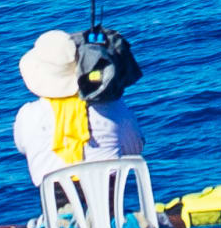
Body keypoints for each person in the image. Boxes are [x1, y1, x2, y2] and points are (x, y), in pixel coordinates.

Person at [11, 26, 147, 196]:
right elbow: (136, 147)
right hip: (110, 206)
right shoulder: (113, 107)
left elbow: (22, 147)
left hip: (57, 208)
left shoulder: (27, 116)